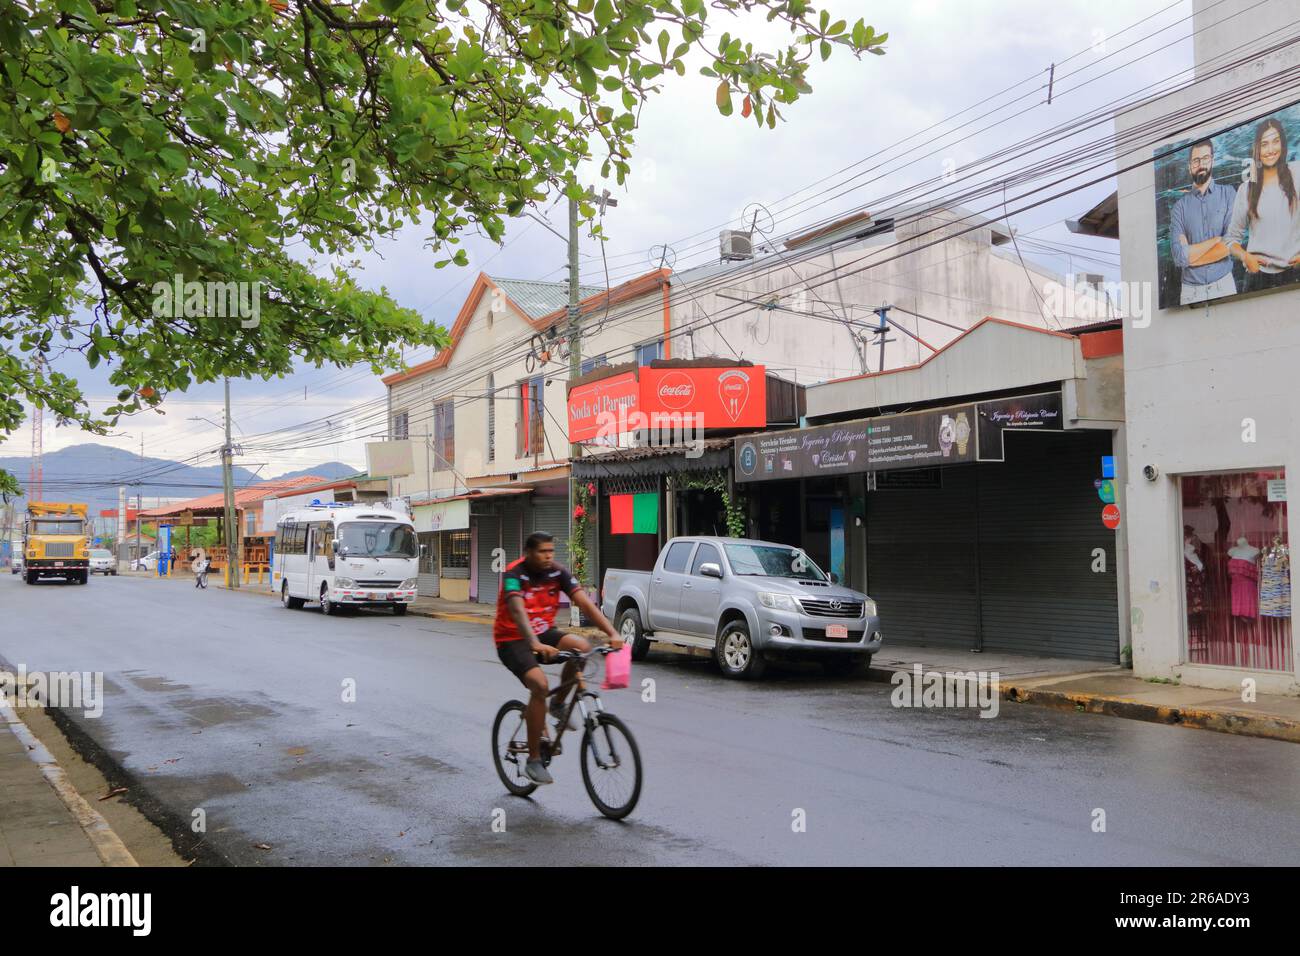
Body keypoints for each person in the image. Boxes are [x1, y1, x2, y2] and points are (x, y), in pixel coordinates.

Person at [494, 531, 621, 785]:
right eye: (542, 551)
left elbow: (585, 604)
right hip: (512, 639)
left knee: (582, 648)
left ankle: (558, 705)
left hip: (543, 632)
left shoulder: (558, 572)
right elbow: (518, 612)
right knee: (540, 685)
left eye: (551, 551)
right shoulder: (513, 575)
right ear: (528, 553)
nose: (548, 556)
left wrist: (612, 633)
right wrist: (534, 644)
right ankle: (532, 761)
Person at [1227, 117, 1300, 292]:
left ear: (1282, 144)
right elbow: (1231, 241)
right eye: (1264, 144)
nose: (1271, 149)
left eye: (1275, 142)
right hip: (1257, 277)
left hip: (1295, 272)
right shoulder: (1246, 189)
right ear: (1257, 149)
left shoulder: (1297, 174)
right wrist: (1246, 257)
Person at [1169, 139, 1237, 305]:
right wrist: (1215, 240)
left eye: (1205, 158)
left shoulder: (1228, 194)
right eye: (1196, 160)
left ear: (1212, 160)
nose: (1201, 164)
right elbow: (1179, 256)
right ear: (1189, 165)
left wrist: (1191, 257)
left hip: (1224, 283)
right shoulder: (1179, 208)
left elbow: (1230, 243)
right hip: (1191, 292)